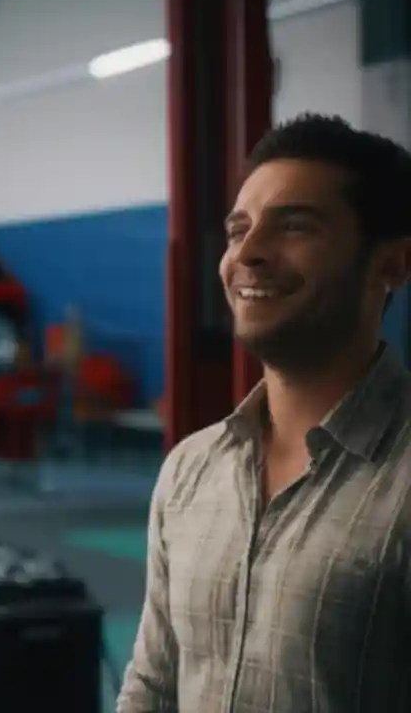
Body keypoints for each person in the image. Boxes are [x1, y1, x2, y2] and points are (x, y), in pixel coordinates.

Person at [118, 113, 411, 711]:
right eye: (238, 230)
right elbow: (153, 683)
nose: (248, 253)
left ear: (392, 264)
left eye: (294, 226)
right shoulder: (189, 469)